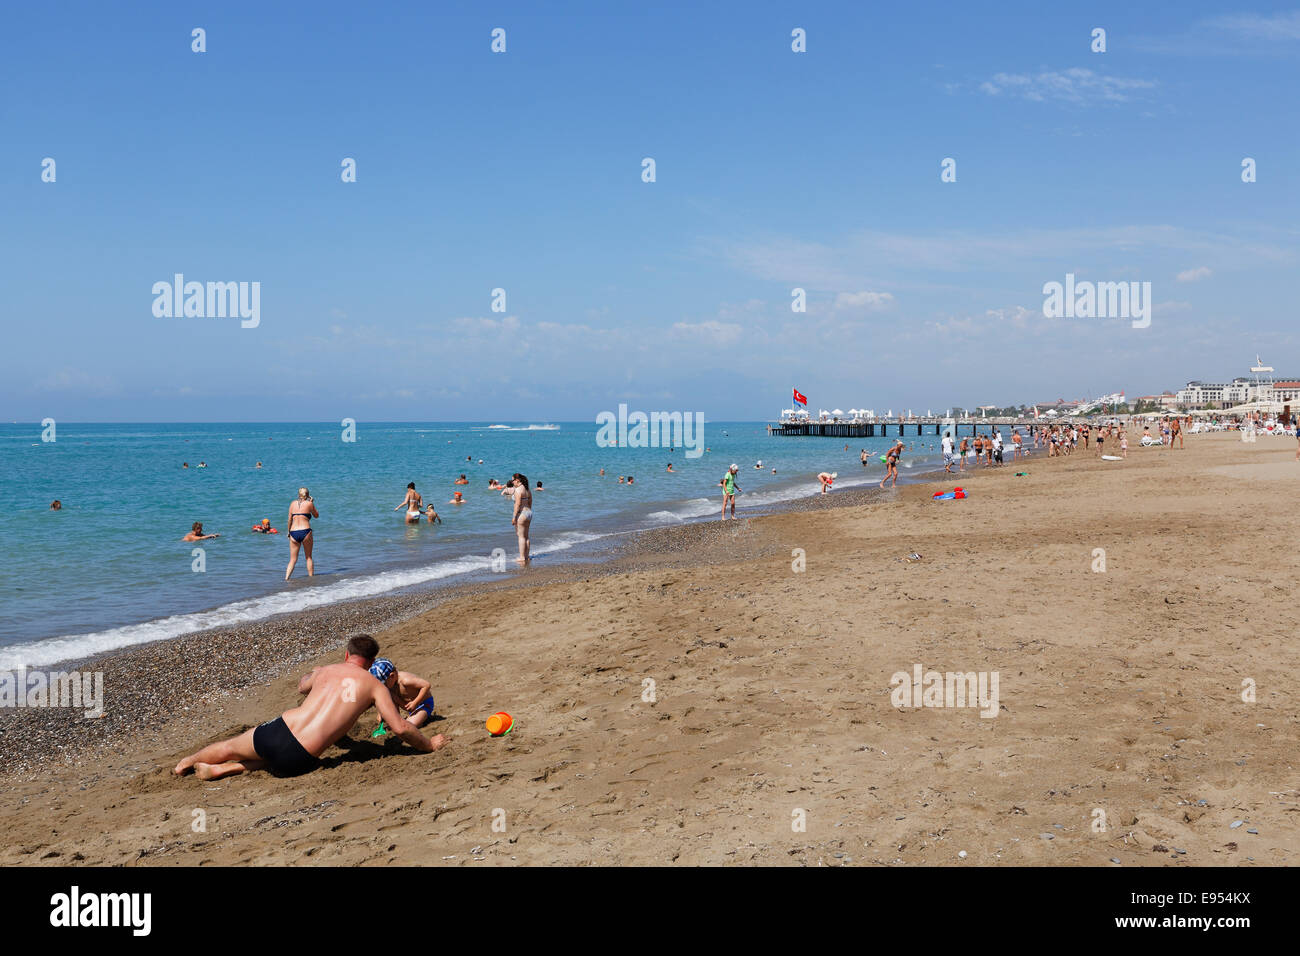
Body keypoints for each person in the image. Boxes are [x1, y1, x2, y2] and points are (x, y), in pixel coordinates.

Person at [174, 635, 444, 780]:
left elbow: (302, 687)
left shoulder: (326, 670)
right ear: (371, 661)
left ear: (347, 655)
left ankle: (186, 763)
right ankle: (223, 770)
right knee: (274, 761)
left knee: (230, 746)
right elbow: (400, 728)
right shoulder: (374, 686)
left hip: (278, 730)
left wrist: (312, 674)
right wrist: (429, 744)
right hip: (299, 757)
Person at [369, 658, 436, 730]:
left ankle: (418, 721)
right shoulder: (390, 685)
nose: (383, 686)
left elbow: (426, 685)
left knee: (409, 726)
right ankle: (397, 720)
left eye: (383, 684)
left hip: (423, 705)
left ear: (392, 676)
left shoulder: (405, 680)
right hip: (410, 708)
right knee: (388, 695)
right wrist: (381, 712)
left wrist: (415, 702)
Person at [285, 487, 318, 580]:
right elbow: (316, 515)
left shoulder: (292, 504)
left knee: (292, 559)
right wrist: (312, 502)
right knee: (308, 557)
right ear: (307, 495)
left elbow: (289, 520)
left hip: (293, 532)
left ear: (298, 494)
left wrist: (288, 532)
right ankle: (311, 579)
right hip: (305, 531)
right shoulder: (309, 503)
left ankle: (286, 578)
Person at [510, 472, 533, 565]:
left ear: (517, 480)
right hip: (529, 513)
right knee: (526, 536)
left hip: (521, 513)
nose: (512, 482)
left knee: (521, 536)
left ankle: (522, 557)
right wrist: (528, 511)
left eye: (512, 480)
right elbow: (530, 501)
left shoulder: (518, 490)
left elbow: (517, 504)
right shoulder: (527, 489)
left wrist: (514, 517)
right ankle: (527, 556)